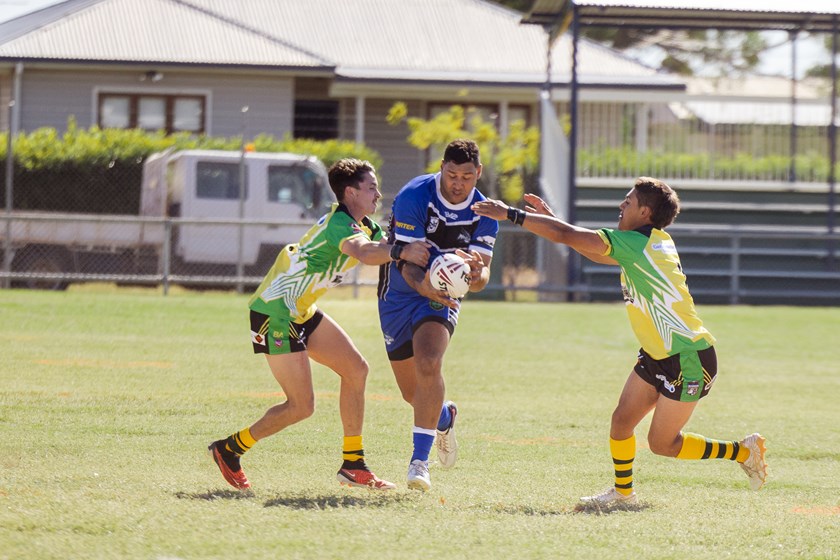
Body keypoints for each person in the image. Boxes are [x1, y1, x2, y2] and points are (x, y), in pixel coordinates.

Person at [472, 177, 768, 506]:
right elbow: (592, 251)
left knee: (662, 444)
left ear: (644, 211)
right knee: (621, 422)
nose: (621, 205)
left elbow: (571, 237)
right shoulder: (650, 241)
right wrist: (553, 221)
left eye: (627, 201)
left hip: (689, 358)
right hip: (658, 355)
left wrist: (511, 214)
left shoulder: (637, 244)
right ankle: (623, 494)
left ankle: (743, 451)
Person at [208, 158, 430, 491]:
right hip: (275, 313)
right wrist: (402, 251)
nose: (378, 195)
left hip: (301, 310)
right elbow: (368, 253)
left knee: (356, 369)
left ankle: (353, 465)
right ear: (351, 192)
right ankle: (230, 449)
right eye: (372, 188)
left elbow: (383, 247)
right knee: (301, 407)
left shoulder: (366, 226)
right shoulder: (339, 224)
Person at [378, 139, 499, 491]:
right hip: (398, 294)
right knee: (412, 393)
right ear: (441, 168)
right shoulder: (415, 195)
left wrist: (476, 276)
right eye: (451, 174)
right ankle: (444, 416)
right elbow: (404, 262)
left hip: (441, 299)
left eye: (466, 176)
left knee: (429, 363)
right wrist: (424, 287)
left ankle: (419, 462)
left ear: (478, 173)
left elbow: (482, 276)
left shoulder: (484, 211)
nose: (458, 183)